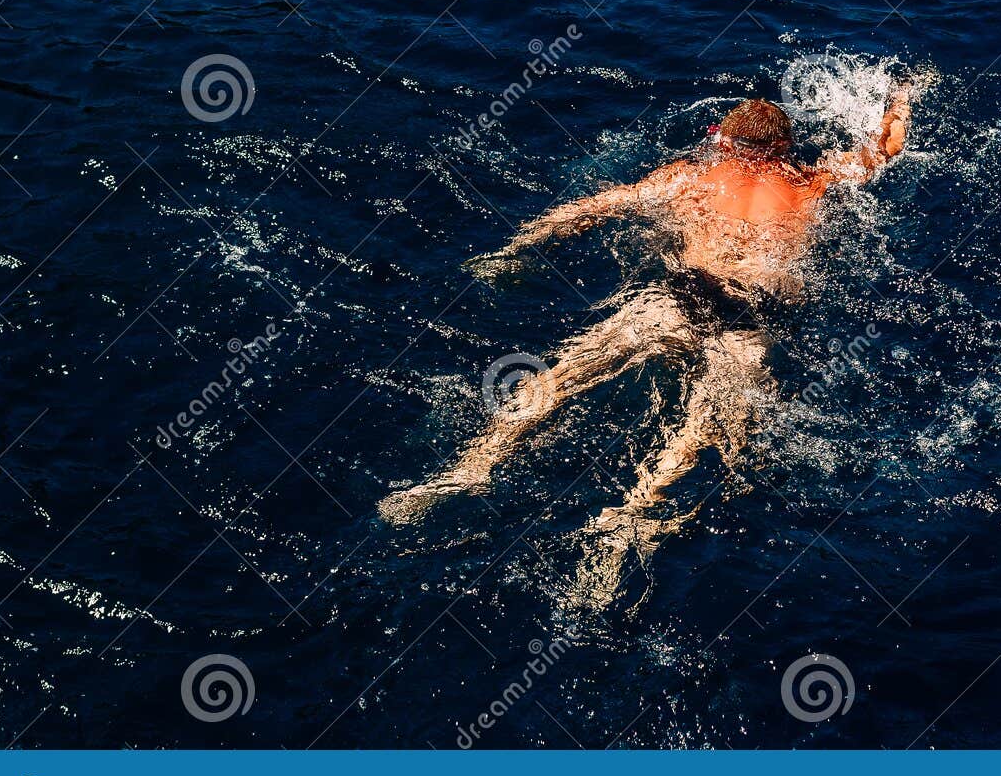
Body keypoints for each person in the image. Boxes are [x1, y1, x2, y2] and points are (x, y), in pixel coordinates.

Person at [379, 87, 913, 611]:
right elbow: (888, 149)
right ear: (784, 149)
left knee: (556, 381)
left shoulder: (692, 176)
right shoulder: (814, 184)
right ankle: (623, 528)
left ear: (725, 141)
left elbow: (596, 207)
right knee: (693, 438)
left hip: (677, 299)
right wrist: (903, 97)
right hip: (750, 321)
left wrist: (517, 250)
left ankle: (468, 469)